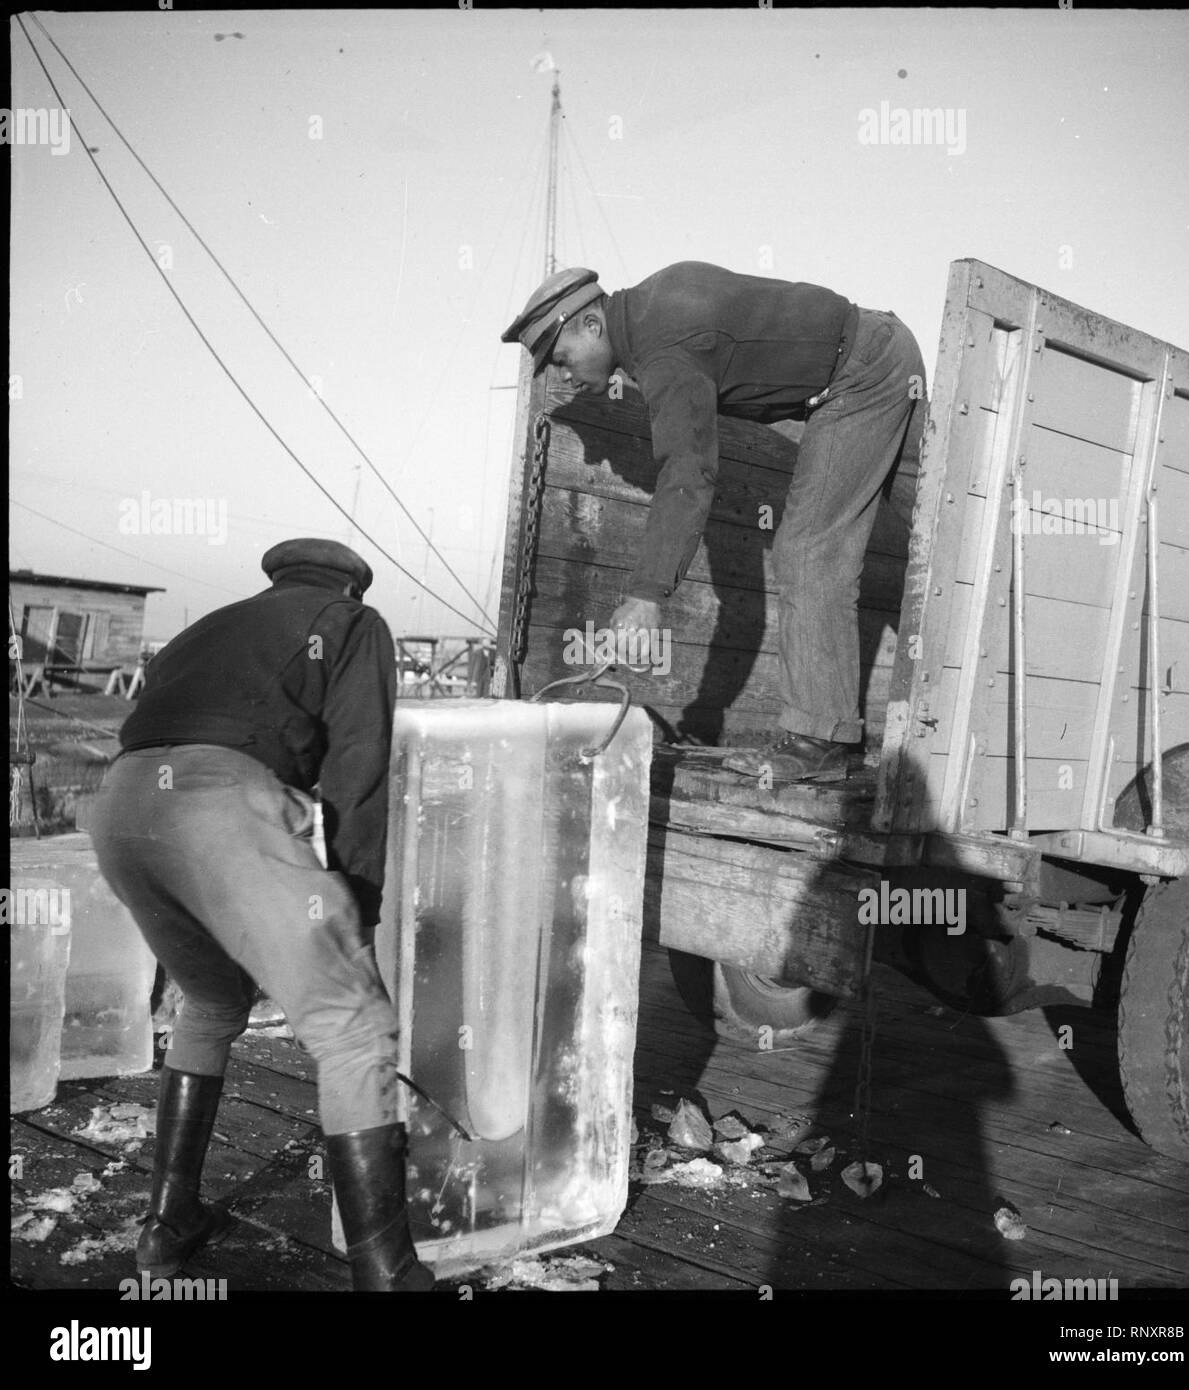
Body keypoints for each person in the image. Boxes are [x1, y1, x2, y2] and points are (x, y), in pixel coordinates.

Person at [89, 538, 433, 1292]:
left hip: (121, 807)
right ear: (352, 586)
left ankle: (166, 1224)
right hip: (219, 809)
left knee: (210, 1002)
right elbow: (358, 770)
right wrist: (358, 910)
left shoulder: (208, 624)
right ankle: (388, 1272)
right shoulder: (352, 623)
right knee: (352, 1028)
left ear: (275, 576)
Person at [501, 262, 926, 782]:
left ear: (592, 324)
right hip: (878, 352)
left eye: (562, 359)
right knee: (930, 538)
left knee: (808, 548)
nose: (564, 376)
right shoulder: (653, 312)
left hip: (862, 375)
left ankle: (819, 741)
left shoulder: (661, 349)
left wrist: (647, 595)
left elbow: (689, 472)